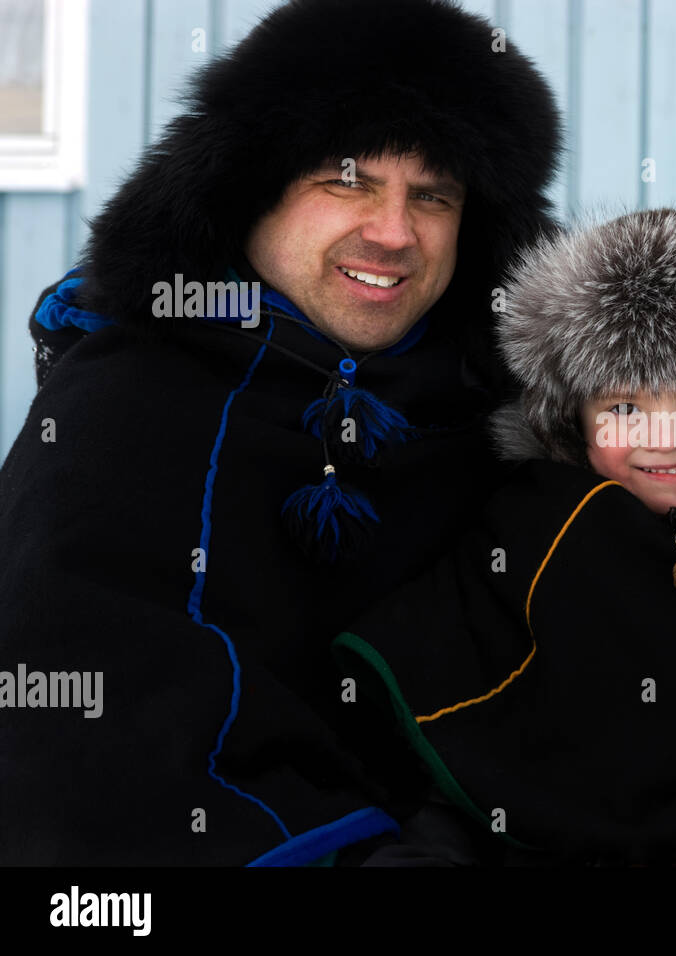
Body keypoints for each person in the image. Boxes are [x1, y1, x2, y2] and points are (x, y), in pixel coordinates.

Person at [0, 0, 560, 865]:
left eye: (433, 195)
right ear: (251, 188)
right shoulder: (121, 411)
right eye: (347, 180)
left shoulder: (507, 421)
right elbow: (83, 756)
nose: (393, 231)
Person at [333, 208, 676, 864]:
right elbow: (460, 676)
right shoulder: (537, 526)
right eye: (625, 407)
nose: (666, 436)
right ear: (572, 422)